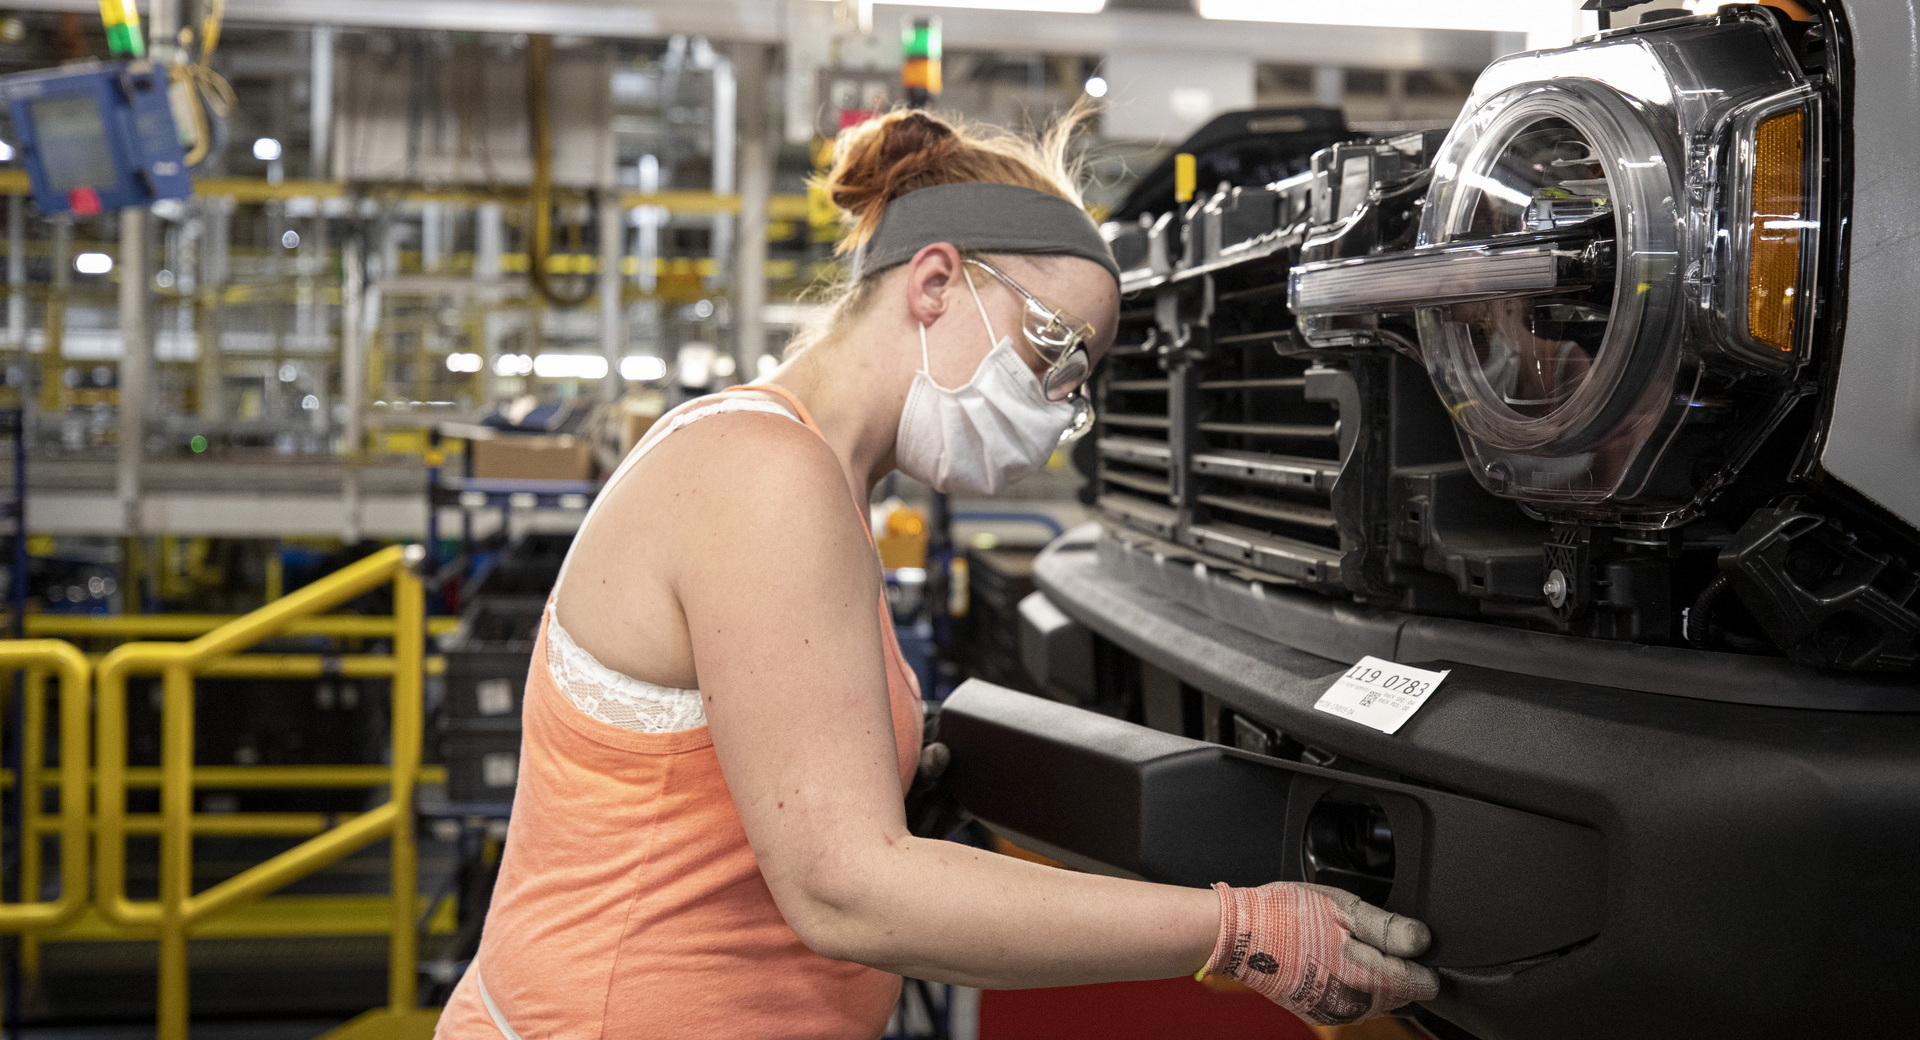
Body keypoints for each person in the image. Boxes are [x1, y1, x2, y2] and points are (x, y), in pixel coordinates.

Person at [434, 108, 1439, 1040]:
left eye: (1075, 386)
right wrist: (1239, 930)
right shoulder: (763, 476)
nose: (1053, 410)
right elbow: (847, 890)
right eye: (1053, 351)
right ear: (934, 283)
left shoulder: (810, 480)